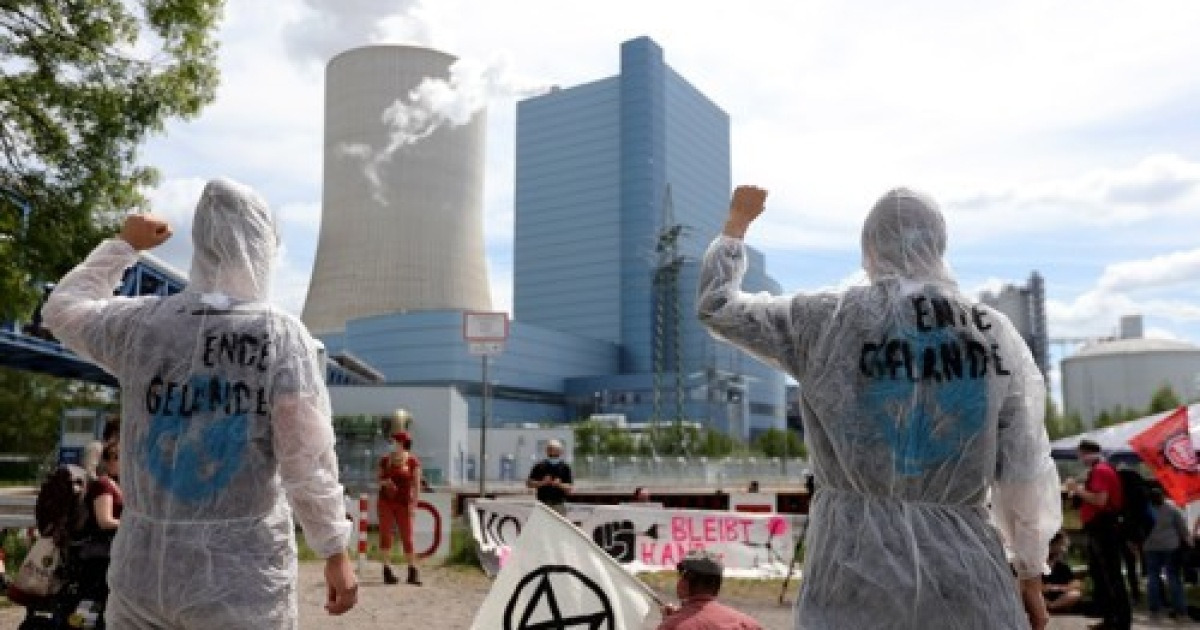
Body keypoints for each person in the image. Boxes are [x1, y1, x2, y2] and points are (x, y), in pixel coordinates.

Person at [697, 186, 1061, 630]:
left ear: (869, 247)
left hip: (852, 572)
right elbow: (1024, 468)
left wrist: (736, 227)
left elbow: (718, 308)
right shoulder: (992, 332)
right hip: (965, 576)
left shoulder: (825, 318)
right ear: (939, 245)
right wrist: (1029, 573)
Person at [43, 178, 357, 628]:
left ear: (199, 244)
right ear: (262, 246)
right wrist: (333, 548)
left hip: (143, 572)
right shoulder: (280, 337)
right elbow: (307, 460)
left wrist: (124, 245)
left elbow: (62, 309)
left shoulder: (142, 325)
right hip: (241, 576)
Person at [1065, 440, 1131, 630]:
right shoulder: (1099, 469)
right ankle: (1110, 618)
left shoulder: (1101, 470)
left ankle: (1119, 620)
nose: (1079, 458)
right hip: (1099, 527)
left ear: (1087, 452)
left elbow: (1101, 500)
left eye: (1080, 454)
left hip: (1104, 527)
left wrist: (1077, 489)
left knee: (1111, 574)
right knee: (1101, 574)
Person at [657, 549, 763, 629]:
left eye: (681, 576)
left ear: (684, 583)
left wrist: (672, 621)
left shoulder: (672, 626)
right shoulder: (749, 624)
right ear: (718, 584)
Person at [377, 430, 423, 586]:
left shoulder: (412, 461)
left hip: (404, 503)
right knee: (386, 535)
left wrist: (414, 505)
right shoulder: (385, 460)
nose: (391, 444)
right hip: (386, 501)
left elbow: (416, 485)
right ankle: (386, 569)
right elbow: (379, 479)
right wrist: (386, 483)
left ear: (402, 443)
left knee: (408, 536)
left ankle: (412, 570)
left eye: (394, 441)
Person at [1142, 486, 1189, 621]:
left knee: (1153, 578)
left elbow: (1138, 527)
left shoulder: (1145, 510)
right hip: (1170, 546)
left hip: (1150, 547)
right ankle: (1181, 612)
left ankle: (1154, 611)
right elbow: (1182, 528)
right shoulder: (1172, 509)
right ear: (1162, 496)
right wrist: (1187, 540)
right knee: (1173, 578)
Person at [526, 439, 573, 514]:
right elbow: (529, 483)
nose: (552, 452)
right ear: (546, 451)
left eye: (554, 449)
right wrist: (542, 483)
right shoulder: (539, 466)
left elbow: (569, 488)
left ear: (560, 451)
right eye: (549, 449)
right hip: (543, 504)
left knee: (558, 525)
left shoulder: (565, 467)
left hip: (558, 504)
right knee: (542, 525)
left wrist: (559, 485)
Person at [1043, 531, 1082, 614]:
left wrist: (1058, 588)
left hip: (1057, 597)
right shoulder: (1038, 564)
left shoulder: (1062, 566)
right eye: (1062, 545)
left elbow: (1075, 584)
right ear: (1052, 545)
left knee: (1075, 594)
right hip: (1040, 596)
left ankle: (1051, 606)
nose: (1065, 550)